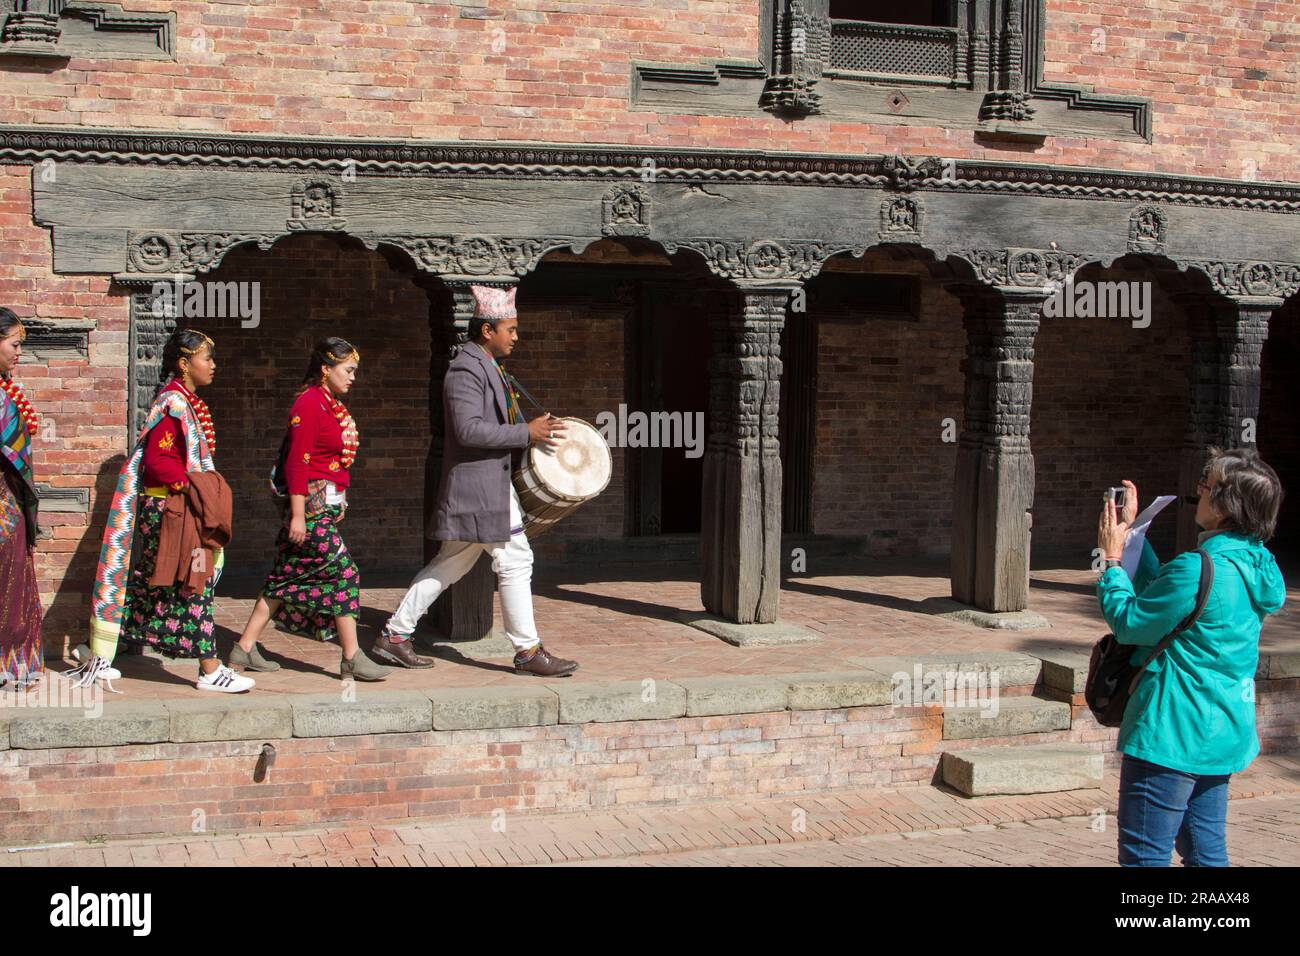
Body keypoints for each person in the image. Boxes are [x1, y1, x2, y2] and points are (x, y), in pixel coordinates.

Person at [373, 285, 579, 676]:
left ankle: (395, 635)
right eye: (510, 329)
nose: (516, 336)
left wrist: (530, 429)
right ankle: (527, 651)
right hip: (480, 488)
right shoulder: (466, 368)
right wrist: (525, 433)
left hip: (485, 486)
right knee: (516, 559)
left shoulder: (487, 365)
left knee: (450, 564)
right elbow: (467, 430)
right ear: (487, 330)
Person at [1097, 448, 1286, 867]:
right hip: (1222, 730)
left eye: (1208, 485)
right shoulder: (1257, 566)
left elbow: (1130, 622)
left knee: (1144, 856)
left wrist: (1111, 561)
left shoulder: (1200, 567)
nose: (1199, 490)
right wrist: (1134, 534)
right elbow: (1173, 601)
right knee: (1206, 853)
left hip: (1171, 731)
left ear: (1226, 504)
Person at [74, 329, 253, 693]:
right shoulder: (172, 405)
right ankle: (210, 670)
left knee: (154, 586)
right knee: (196, 582)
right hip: (173, 512)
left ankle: (99, 652)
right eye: (207, 358)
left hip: (180, 510)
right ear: (184, 364)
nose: (213, 366)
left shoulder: (184, 403)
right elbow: (158, 463)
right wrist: (196, 488)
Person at [232, 337, 388, 681]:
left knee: (284, 577)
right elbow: (297, 464)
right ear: (326, 369)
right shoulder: (309, 404)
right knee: (345, 573)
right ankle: (351, 656)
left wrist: (340, 497)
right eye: (348, 370)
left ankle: (243, 647)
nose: (353, 377)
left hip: (323, 505)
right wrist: (299, 515)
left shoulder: (329, 404)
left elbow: (330, 460)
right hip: (309, 509)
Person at [0, 308, 44, 690]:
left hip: (9, 498)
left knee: (14, 577)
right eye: (14, 344)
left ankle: (13, 665)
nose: (19, 352)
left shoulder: (5, 389)